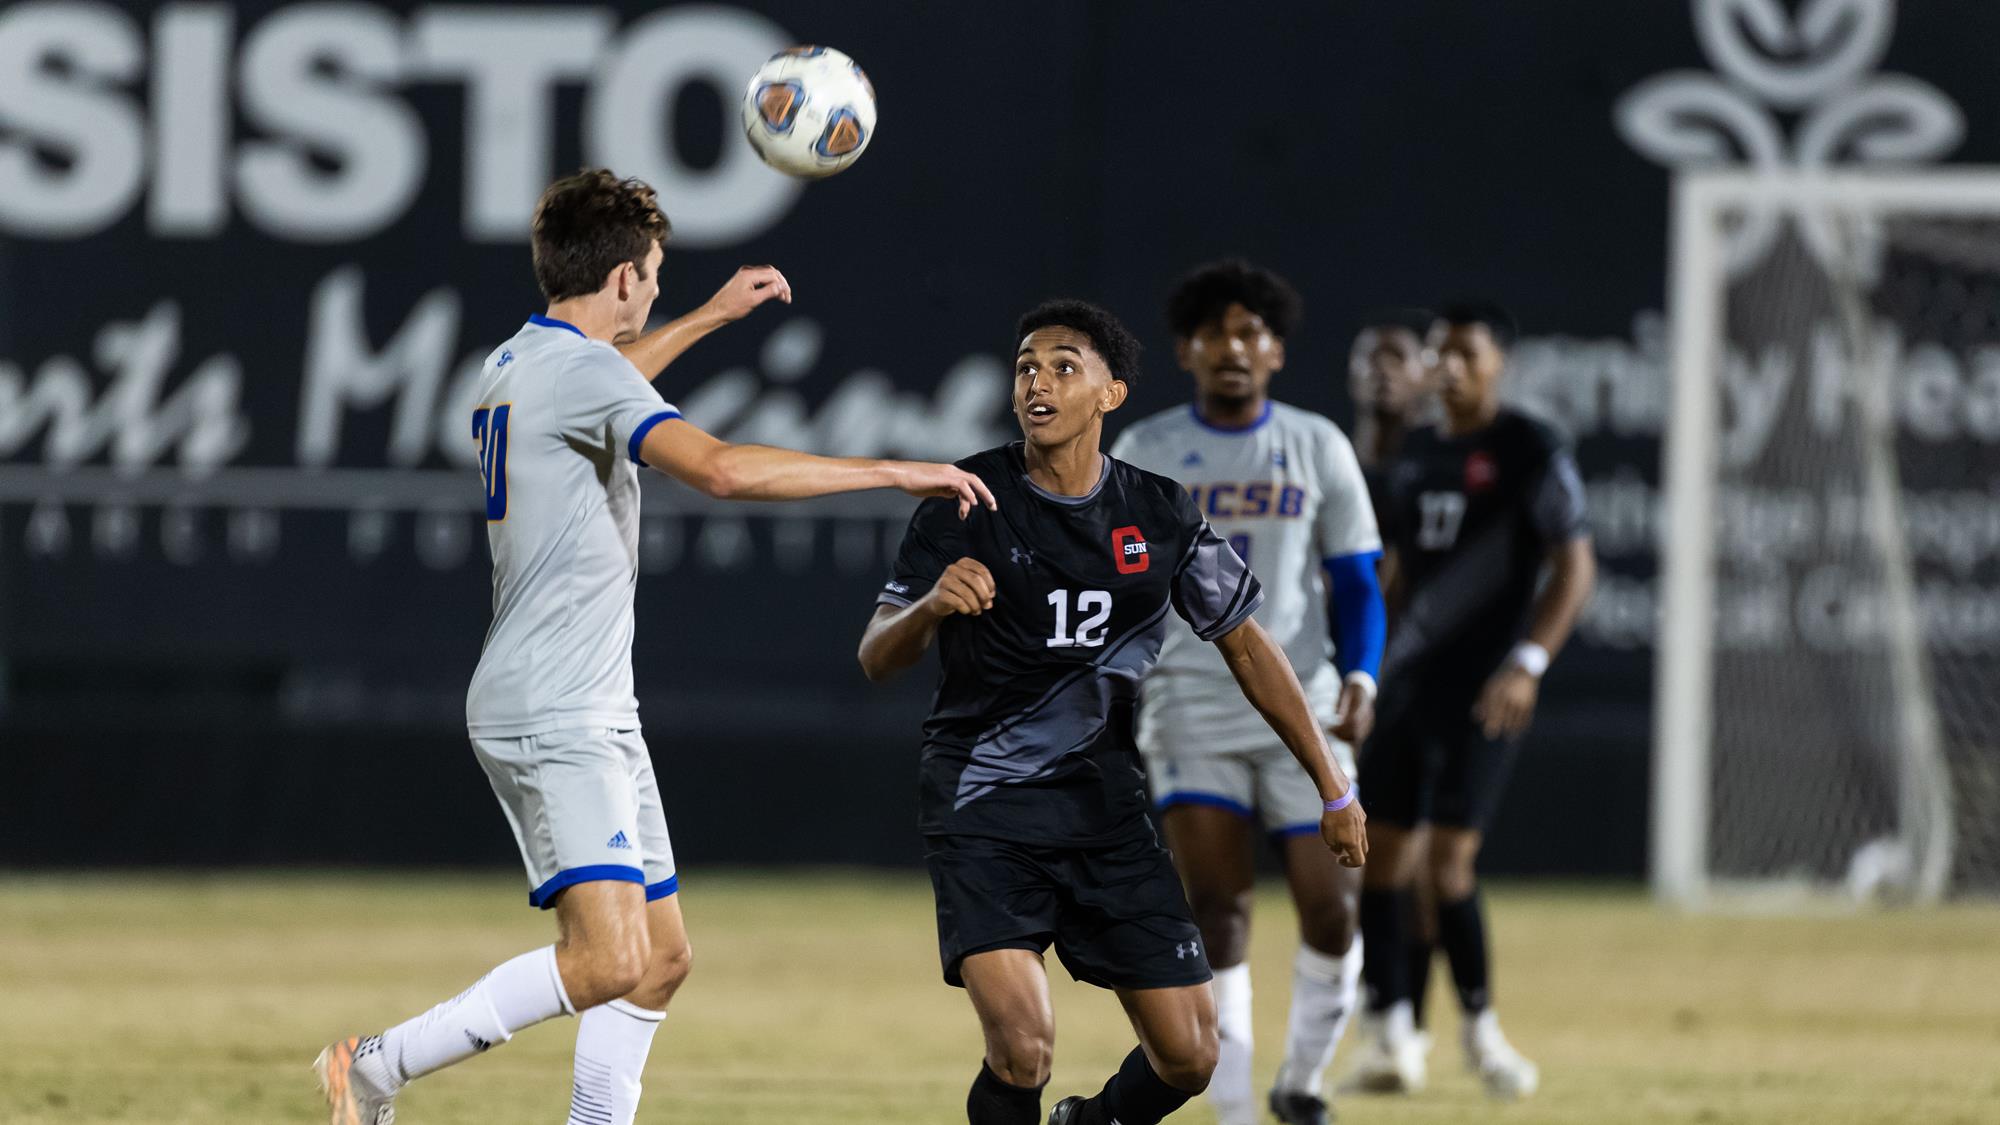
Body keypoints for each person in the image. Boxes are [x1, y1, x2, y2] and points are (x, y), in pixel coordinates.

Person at [312, 168, 996, 1125]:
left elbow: (611, 379)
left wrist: (712, 316)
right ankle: (375, 1064)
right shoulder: (583, 374)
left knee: (659, 958)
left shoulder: (519, 361)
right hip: (556, 708)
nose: (660, 292)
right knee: (607, 961)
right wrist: (893, 468)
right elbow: (718, 469)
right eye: (660, 275)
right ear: (627, 277)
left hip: (582, 702)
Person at [856, 299, 1367, 1125]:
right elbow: (877, 656)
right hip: (983, 804)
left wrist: (1332, 784)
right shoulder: (964, 503)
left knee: (1190, 1054)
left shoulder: (1160, 513)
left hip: (1104, 811)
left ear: (1111, 393)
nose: (1038, 382)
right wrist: (929, 609)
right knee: (1023, 1046)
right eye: (1026, 365)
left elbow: (1248, 646)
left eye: (1064, 366)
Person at [1108, 260, 1385, 1125]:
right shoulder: (1145, 451)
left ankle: (1300, 1083)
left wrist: (1365, 674)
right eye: (1217, 332)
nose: (1236, 346)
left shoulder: (1317, 444)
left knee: (1332, 904)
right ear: (1187, 349)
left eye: (1254, 332)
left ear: (1276, 350)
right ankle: (1233, 1113)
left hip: (1300, 700)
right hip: (1189, 701)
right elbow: (1118, 590)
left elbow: (1358, 582)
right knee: (1218, 910)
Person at [1346, 302, 1595, 1101]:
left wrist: (1527, 661)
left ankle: (1482, 1032)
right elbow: (1387, 570)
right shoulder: (1414, 451)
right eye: (1438, 352)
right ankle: (1392, 1033)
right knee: (1382, 860)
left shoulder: (1529, 448)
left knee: (1448, 864)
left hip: (1486, 687)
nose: (1449, 366)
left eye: (1467, 352)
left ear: (1500, 364)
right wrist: (1363, 668)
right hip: (1407, 682)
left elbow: (1575, 564)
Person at [1343, 308, 1446, 1057]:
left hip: (1417, 688)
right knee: (1360, 859)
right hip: (1342, 684)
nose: (1382, 370)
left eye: (1397, 357)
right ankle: (1385, 1006)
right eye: (1369, 356)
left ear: (1423, 376)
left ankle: (1410, 1011)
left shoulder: (1438, 469)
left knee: (1422, 864)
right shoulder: (1329, 460)